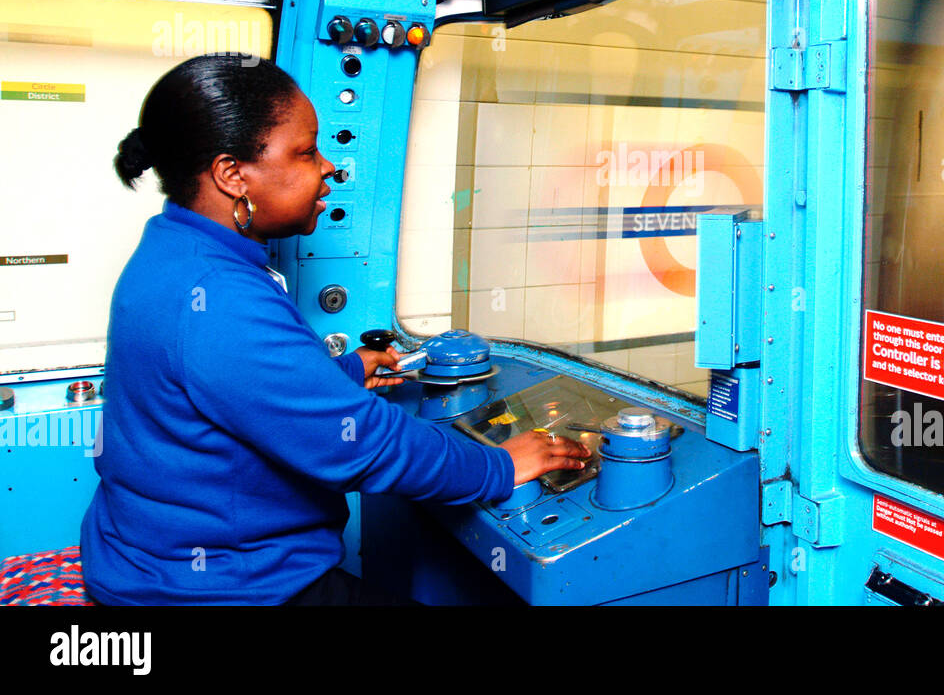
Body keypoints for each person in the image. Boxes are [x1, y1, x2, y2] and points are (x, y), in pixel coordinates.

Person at [80, 53, 589, 605]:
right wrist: (497, 464)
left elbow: (238, 387)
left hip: (150, 560)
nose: (328, 168)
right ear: (232, 175)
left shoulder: (173, 250)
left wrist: (342, 373)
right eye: (305, 152)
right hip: (221, 590)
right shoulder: (219, 295)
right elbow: (360, 446)